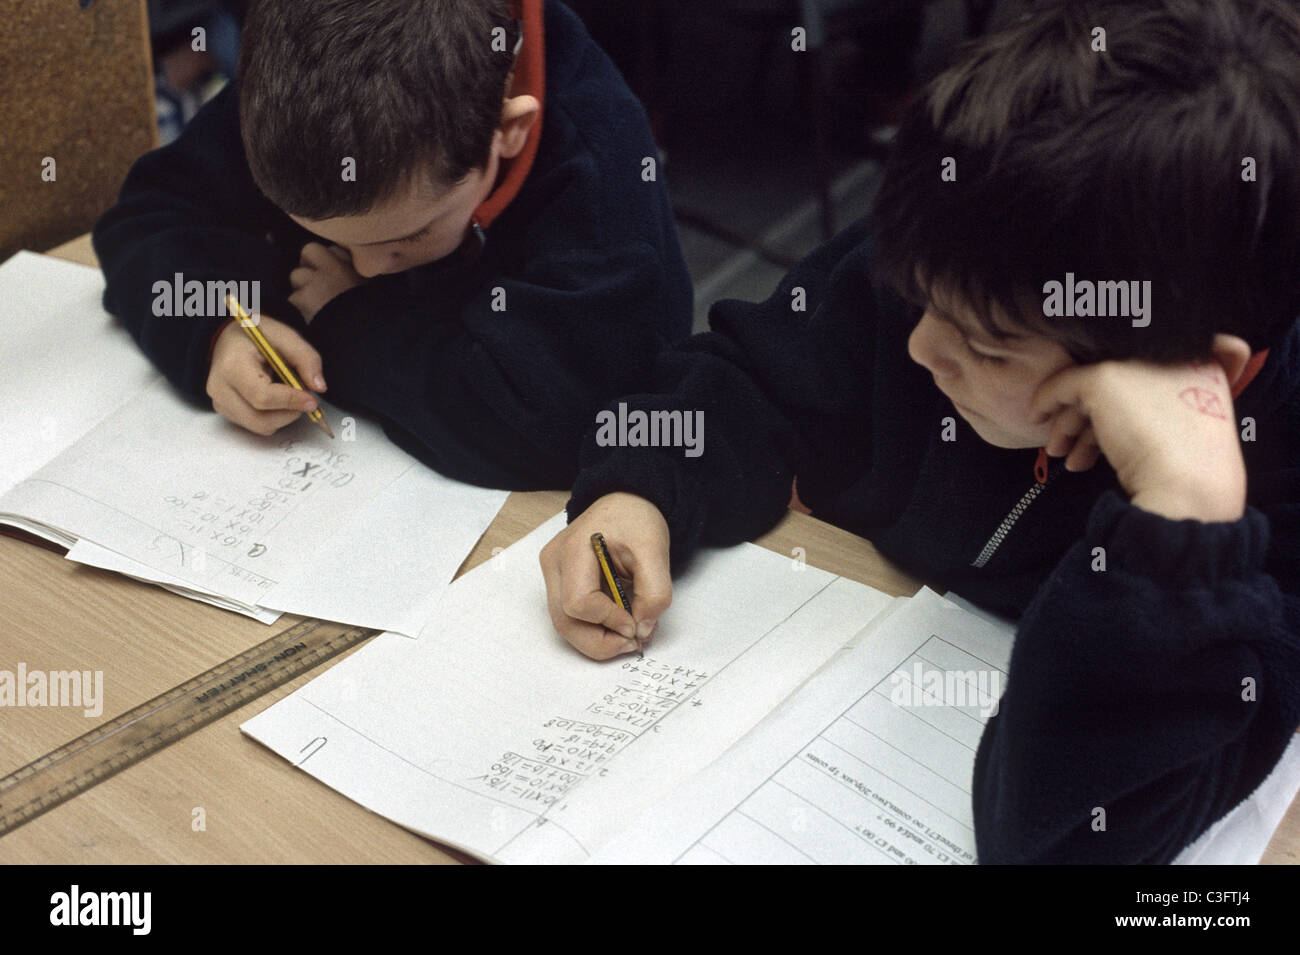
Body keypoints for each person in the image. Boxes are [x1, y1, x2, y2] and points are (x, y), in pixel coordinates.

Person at [540, 0, 1300, 863]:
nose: (919, 344)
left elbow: (1059, 843)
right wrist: (641, 485)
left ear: (1196, 374)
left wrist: (1181, 525)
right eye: (920, 298)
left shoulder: (1270, 502)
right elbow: (748, 372)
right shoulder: (970, 254)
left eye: (985, 347)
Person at [94, 0, 692, 489]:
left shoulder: (597, 162)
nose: (366, 266)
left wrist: (350, 319)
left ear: (507, 131)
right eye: (326, 236)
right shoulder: (299, 77)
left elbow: (564, 421)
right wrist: (217, 331)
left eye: (408, 235)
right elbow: (145, 218)